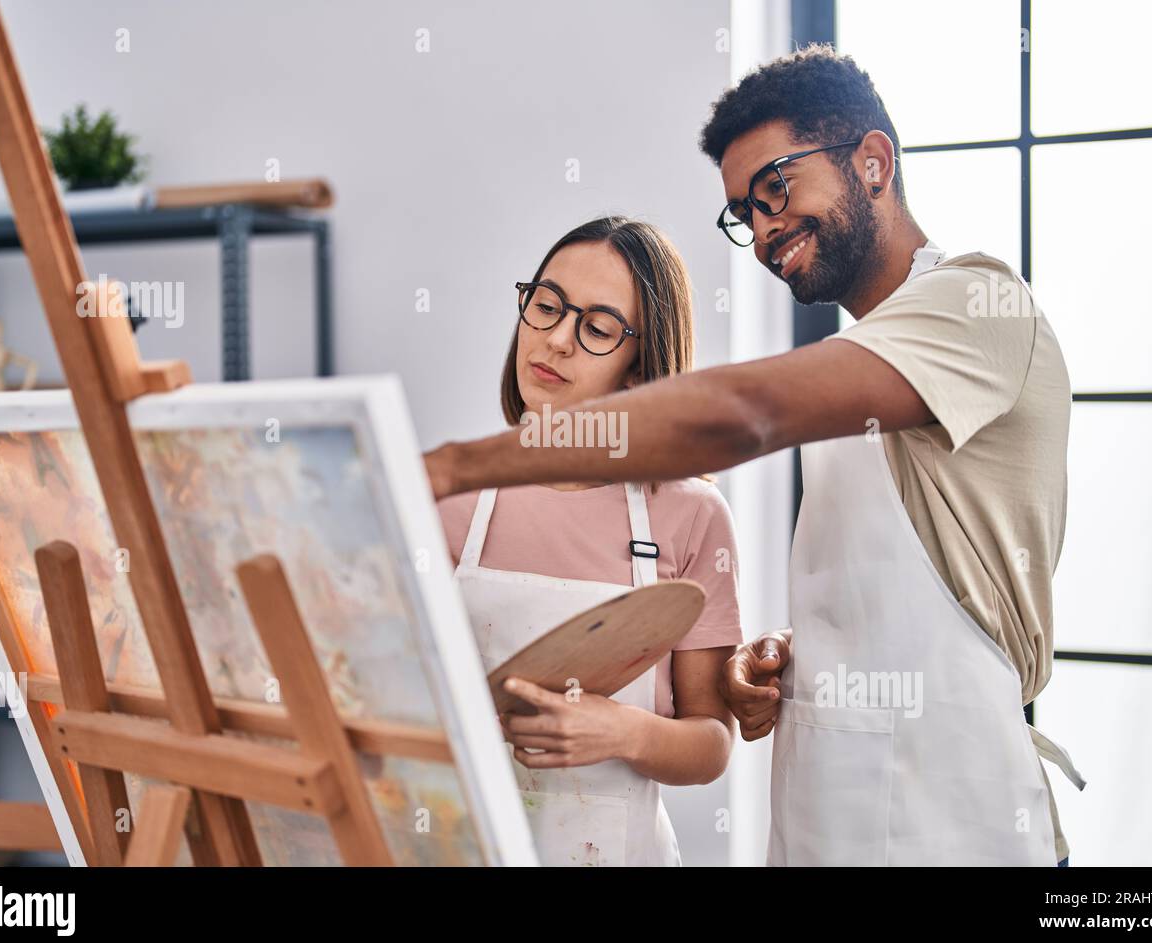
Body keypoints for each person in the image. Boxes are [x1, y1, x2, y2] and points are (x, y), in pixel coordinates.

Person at [426, 46, 1084, 866]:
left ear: (872, 162)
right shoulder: (868, 356)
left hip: (960, 816)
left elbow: (746, 412)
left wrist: (461, 463)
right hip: (823, 813)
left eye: (776, 187)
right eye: (746, 210)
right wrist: (782, 664)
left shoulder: (978, 307)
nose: (765, 229)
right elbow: (900, 592)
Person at [437, 216, 741, 866]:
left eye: (597, 329)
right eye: (545, 307)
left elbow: (712, 743)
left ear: (639, 369)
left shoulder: (692, 515)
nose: (554, 341)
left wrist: (624, 732)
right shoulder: (453, 501)